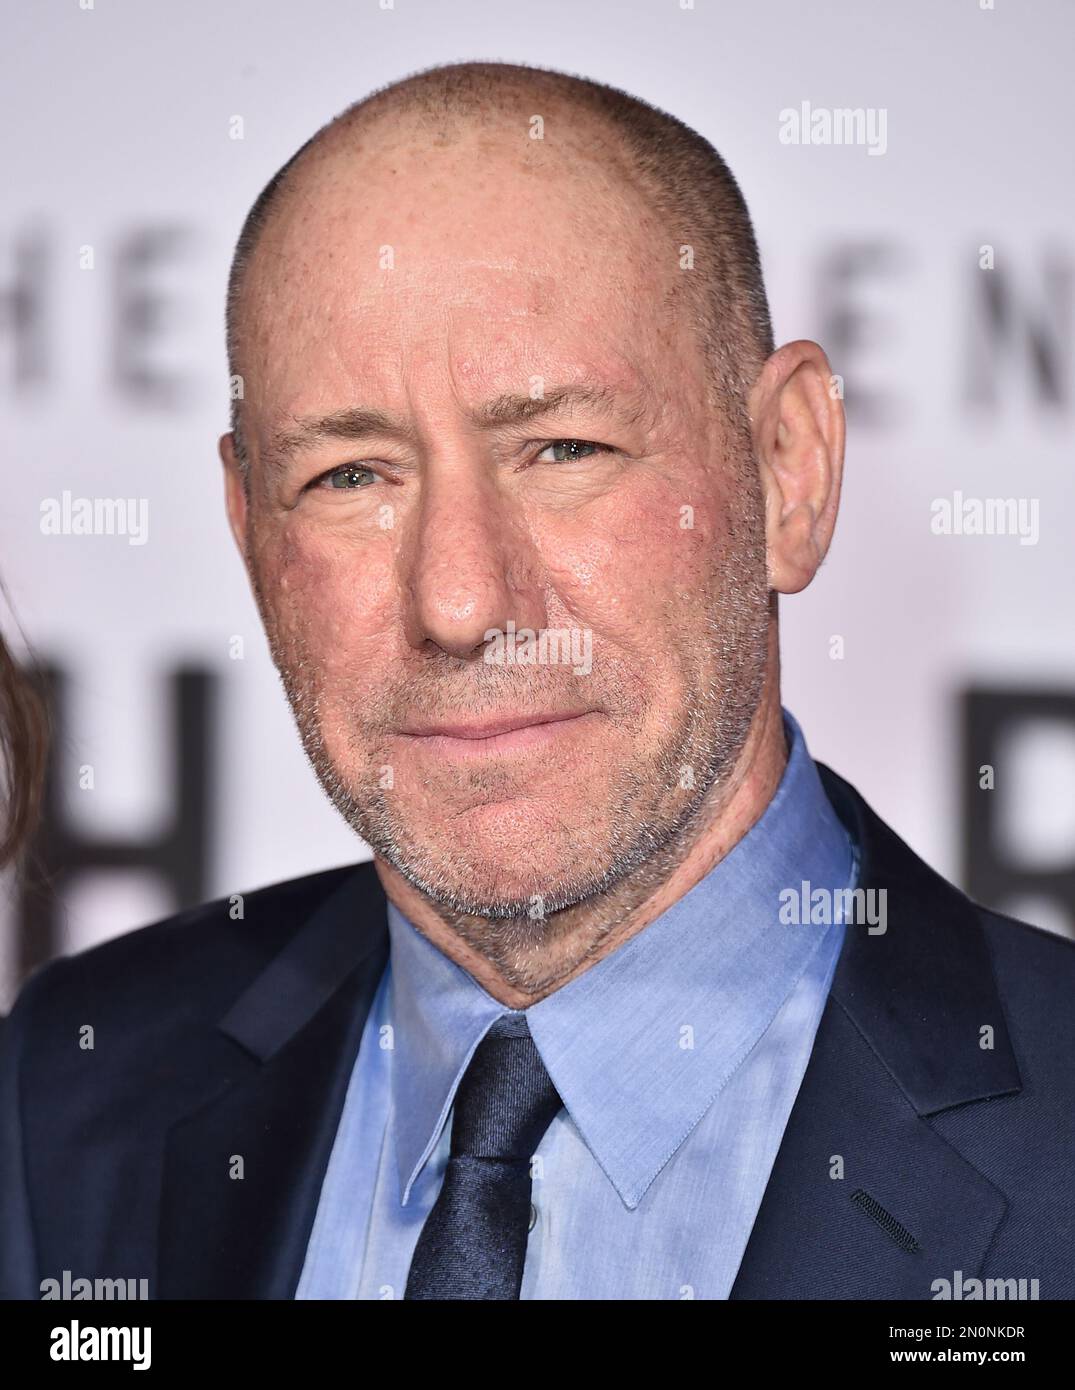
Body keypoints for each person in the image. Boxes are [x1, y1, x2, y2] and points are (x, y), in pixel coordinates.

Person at [2, 61, 1072, 1302]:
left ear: (789, 469)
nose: (459, 601)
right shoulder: (70, 1097)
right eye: (351, 475)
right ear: (247, 528)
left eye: (563, 448)